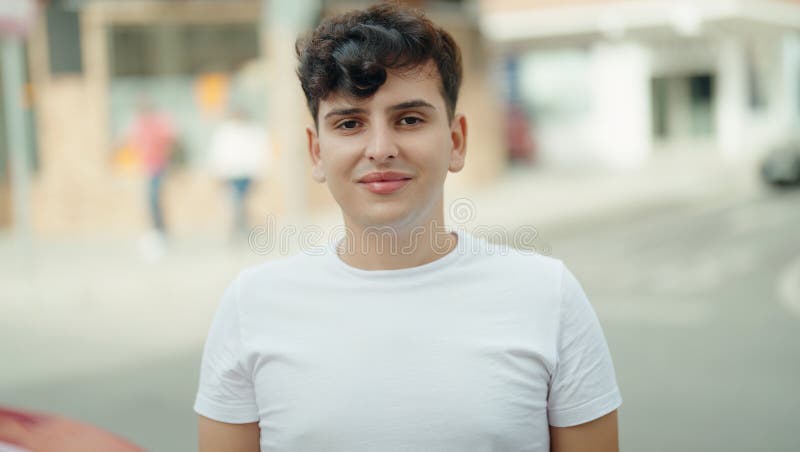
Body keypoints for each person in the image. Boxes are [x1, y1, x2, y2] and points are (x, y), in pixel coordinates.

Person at [194, 4, 621, 452]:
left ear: (456, 141)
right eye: (350, 123)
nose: (380, 149)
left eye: (409, 119)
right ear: (317, 152)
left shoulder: (548, 297)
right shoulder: (252, 307)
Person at [208, 107, 269, 239]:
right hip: (230, 175)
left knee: (244, 203)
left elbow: (260, 153)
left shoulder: (253, 131)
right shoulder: (225, 132)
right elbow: (219, 153)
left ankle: (244, 229)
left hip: (248, 174)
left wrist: (260, 174)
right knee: (234, 204)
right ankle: (238, 229)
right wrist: (218, 174)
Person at [126, 97, 175, 258]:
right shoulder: (139, 124)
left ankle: (160, 230)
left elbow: (168, 139)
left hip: (159, 166)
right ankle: (156, 230)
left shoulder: (159, 122)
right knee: (150, 200)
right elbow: (135, 143)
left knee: (154, 199)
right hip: (148, 167)